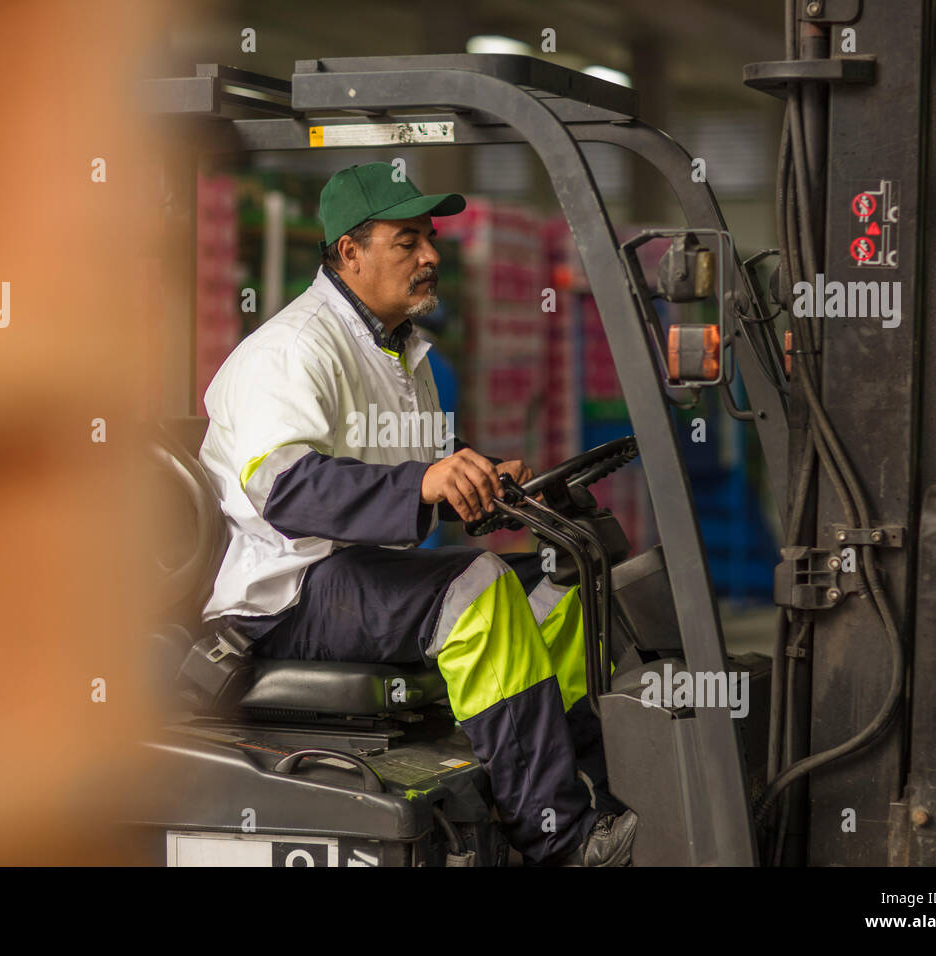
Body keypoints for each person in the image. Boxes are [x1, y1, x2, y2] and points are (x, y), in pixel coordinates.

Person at [199, 162, 637, 866]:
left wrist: (477, 477)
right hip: (290, 591)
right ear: (350, 252)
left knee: (569, 580)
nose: (431, 256)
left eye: (429, 239)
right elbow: (288, 489)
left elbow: (413, 463)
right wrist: (425, 481)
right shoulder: (291, 350)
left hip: (364, 574)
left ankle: (578, 789)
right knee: (478, 589)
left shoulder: (398, 350)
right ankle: (560, 837)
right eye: (408, 241)